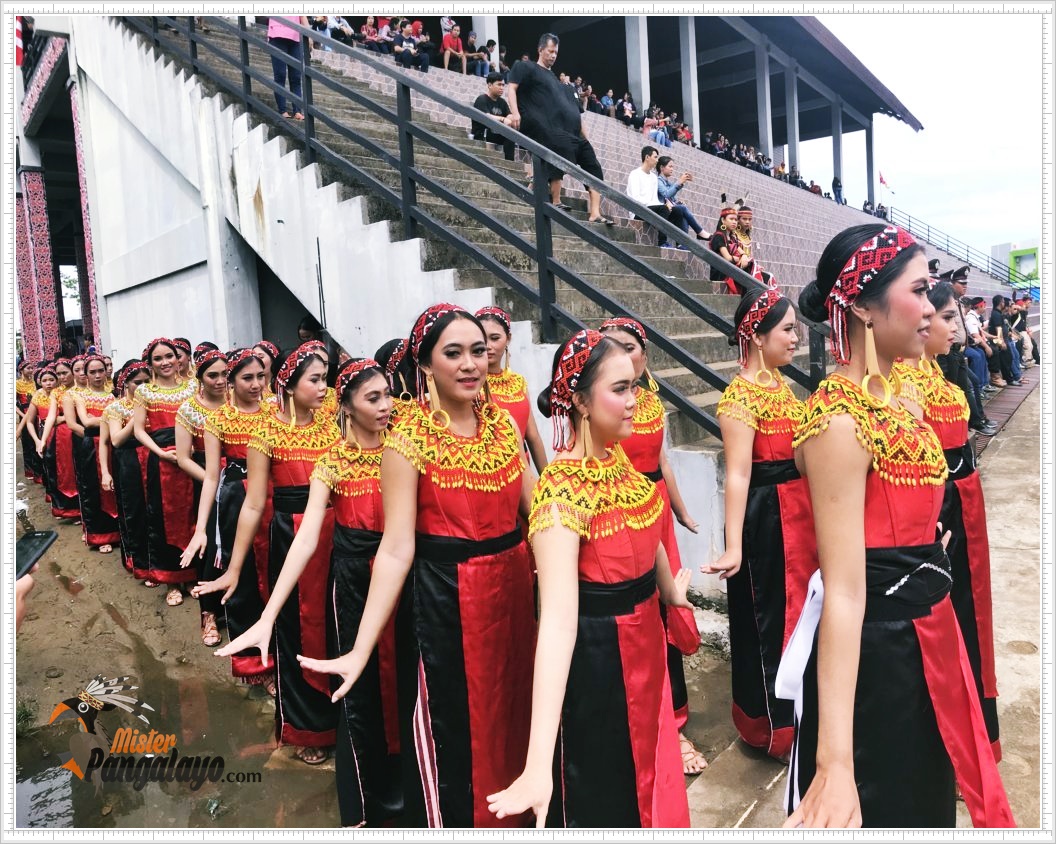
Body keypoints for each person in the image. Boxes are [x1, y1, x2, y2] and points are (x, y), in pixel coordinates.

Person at [777, 224, 1013, 828]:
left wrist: (924, 545)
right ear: (860, 305)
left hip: (930, 639)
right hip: (880, 658)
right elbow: (846, 591)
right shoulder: (837, 420)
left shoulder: (895, 403)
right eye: (918, 290)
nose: (933, 309)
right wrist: (834, 761)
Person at [298, 304, 536, 828]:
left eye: (478, 350)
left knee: (515, 717)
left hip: (515, 596)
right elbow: (397, 548)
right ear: (426, 366)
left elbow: (535, 513)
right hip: (445, 606)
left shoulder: (504, 428)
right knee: (455, 732)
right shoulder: (407, 442)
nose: (472, 363)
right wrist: (361, 648)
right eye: (453, 353)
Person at [485, 328, 692, 828]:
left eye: (634, 387)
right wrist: (537, 764)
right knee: (610, 791)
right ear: (579, 400)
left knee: (651, 774)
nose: (633, 401)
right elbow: (556, 625)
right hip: (601, 666)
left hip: (646, 650)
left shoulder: (619, 463)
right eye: (619, 389)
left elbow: (649, 527)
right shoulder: (560, 495)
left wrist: (669, 591)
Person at [197, 342, 340, 765]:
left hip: (336, 539)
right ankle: (309, 729)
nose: (323, 386)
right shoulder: (266, 433)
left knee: (334, 626)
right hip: (288, 535)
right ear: (290, 386)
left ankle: (343, 720)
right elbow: (255, 504)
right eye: (314, 379)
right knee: (295, 627)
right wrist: (234, 568)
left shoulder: (334, 426)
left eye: (325, 378)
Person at [893, 281, 1002, 761]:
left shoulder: (939, 373)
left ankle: (976, 732)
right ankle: (947, 744)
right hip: (937, 510)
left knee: (972, 611)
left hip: (965, 500)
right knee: (946, 617)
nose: (954, 328)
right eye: (948, 319)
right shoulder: (900, 384)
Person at [708, 289, 817, 760]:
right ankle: (774, 728)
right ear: (756, 334)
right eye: (788, 329)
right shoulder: (739, 396)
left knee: (804, 616)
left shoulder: (780, 386)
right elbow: (737, 474)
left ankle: (805, 716)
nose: (796, 338)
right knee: (770, 618)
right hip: (768, 521)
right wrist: (735, 546)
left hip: (800, 513)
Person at [599, 317, 707, 774]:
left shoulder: (650, 404)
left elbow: (661, 460)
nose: (623, 353)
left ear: (644, 356)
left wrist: (680, 512)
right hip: (617, 509)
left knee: (668, 610)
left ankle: (675, 720)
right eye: (612, 347)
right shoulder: (604, 406)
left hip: (655, 508)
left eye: (629, 346)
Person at [182, 350, 275, 688]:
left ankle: (282, 655)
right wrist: (201, 528)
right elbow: (210, 476)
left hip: (274, 500)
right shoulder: (218, 419)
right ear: (232, 381)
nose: (256, 384)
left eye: (260, 377)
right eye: (247, 378)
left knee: (276, 577)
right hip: (237, 502)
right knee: (245, 580)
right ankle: (256, 667)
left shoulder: (277, 412)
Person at [506, 33, 611, 225]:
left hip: (572, 134)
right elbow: (512, 88)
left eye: (556, 52)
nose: (554, 55)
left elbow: (575, 115)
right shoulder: (527, 67)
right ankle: (542, 190)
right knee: (560, 149)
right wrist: (515, 113)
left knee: (593, 165)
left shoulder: (559, 83)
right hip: (548, 130)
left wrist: (585, 139)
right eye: (550, 51)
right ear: (540, 50)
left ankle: (595, 212)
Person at [132, 338, 198, 605]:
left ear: (178, 358)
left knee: (192, 514)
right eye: (158, 359)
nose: (165, 362)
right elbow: (138, 429)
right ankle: (171, 580)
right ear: (150, 364)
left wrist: (191, 446)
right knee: (162, 518)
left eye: (169, 356)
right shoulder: (144, 392)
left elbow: (199, 419)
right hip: (160, 461)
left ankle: (192, 573)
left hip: (191, 459)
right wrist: (159, 453)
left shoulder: (193, 387)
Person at [175, 346, 230, 645]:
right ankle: (207, 611)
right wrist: (218, 483)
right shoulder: (188, 409)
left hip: (243, 484)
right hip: (207, 482)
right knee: (210, 545)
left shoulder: (242, 403)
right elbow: (183, 457)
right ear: (200, 377)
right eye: (213, 375)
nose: (220, 380)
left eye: (225, 374)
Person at [476, 306, 548, 472]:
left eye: (495, 338)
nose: (488, 346)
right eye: (481, 339)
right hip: (488, 472)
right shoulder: (471, 384)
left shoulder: (518, 382)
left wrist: (547, 482)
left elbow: (533, 436)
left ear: (508, 338)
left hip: (523, 470)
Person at [101, 361, 152, 577]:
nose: (141, 387)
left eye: (146, 382)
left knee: (157, 511)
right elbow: (115, 440)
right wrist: (136, 418)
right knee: (134, 512)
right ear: (125, 383)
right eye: (136, 383)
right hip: (128, 462)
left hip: (153, 458)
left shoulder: (157, 401)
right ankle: (140, 562)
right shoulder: (115, 408)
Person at [70, 354, 119, 553]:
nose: (98, 375)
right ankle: (100, 535)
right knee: (93, 489)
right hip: (91, 446)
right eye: (93, 372)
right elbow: (85, 421)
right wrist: (110, 419)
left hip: (113, 444)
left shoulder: (112, 395)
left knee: (115, 486)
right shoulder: (79, 396)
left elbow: (117, 418)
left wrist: (98, 419)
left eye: (101, 371)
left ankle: (117, 530)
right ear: (86, 374)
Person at [37, 359, 81, 520]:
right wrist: (42, 440)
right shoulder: (57, 392)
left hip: (79, 432)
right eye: (59, 374)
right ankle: (69, 509)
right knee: (65, 471)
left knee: (80, 470)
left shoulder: (81, 389)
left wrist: (63, 418)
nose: (62, 377)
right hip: (62, 437)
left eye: (65, 373)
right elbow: (50, 417)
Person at [626, 146, 686, 248]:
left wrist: (666, 205)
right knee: (663, 209)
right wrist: (662, 207)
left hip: (651, 209)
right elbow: (635, 199)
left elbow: (654, 199)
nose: (657, 160)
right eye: (655, 157)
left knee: (678, 210)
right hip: (638, 210)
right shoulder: (635, 174)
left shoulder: (654, 177)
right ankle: (662, 242)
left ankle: (680, 244)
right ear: (647, 157)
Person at [266, 16, 309, 119]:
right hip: (277, 34)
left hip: (295, 37)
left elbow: (303, 16)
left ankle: (297, 110)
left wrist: (310, 37)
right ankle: (282, 110)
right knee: (280, 75)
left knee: (296, 77)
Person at [656, 156, 706, 240]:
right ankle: (699, 232)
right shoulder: (658, 181)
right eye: (670, 166)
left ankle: (682, 244)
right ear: (662, 167)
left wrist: (677, 201)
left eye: (673, 167)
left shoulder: (668, 183)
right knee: (682, 209)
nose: (672, 169)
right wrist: (679, 182)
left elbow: (672, 198)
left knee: (682, 211)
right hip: (663, 212)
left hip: (670, 210)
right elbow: (666, 194)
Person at [471, 73, 516, 161]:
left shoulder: (502, 102)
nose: (502, 88)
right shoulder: (482, 99)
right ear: (490, 85)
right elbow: (486, 116)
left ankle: (510, 162)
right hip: (483, 135)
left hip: (496, 135)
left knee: (511, 134)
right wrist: (503, 119)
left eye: (503, 85)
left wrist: (512, 118)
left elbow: (509, 115)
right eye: (499, 84)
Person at [709, 207, 751, 294]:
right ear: (723, 220)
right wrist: (738, 259)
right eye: (731, 219)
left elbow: (742, 252)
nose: (734, 222)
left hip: (731, 271)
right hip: (721, 273)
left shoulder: (732, 238)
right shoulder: (718, 236)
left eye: (736, 220)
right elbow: (728, 258)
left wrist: (743, 256)